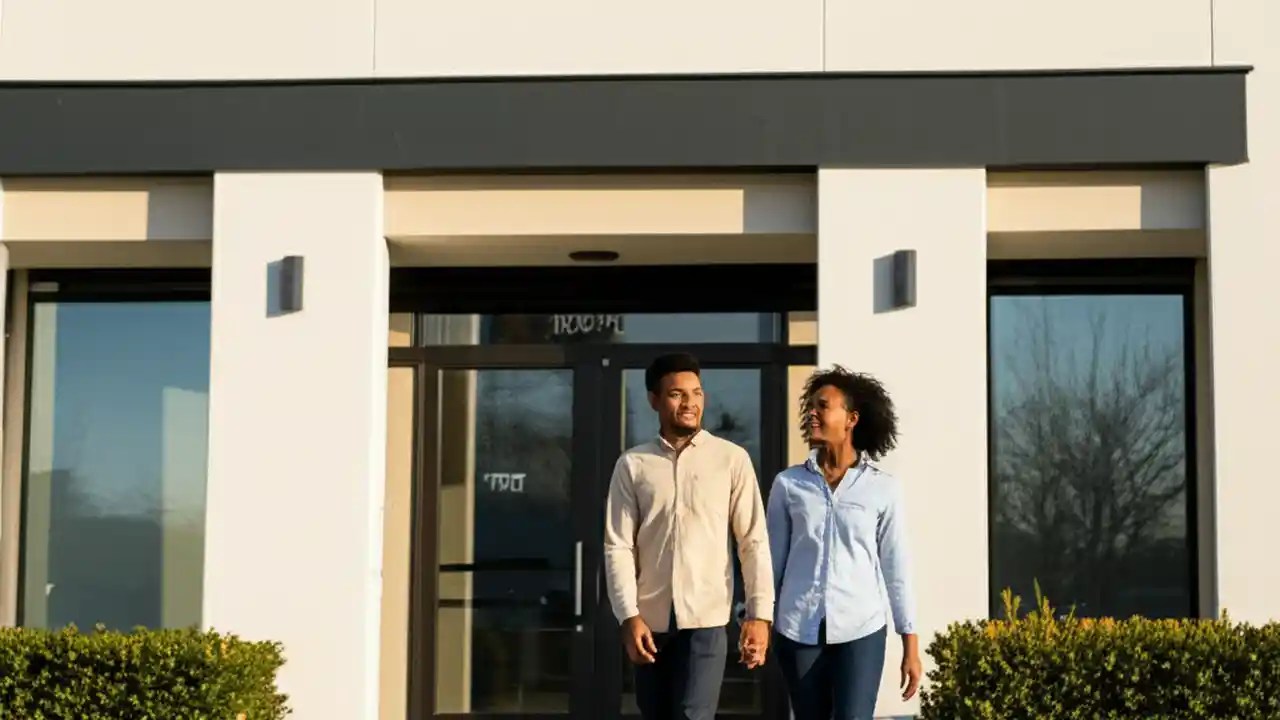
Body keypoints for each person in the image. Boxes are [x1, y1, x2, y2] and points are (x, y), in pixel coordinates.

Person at [603, 352, 774, 720]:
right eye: (677, 394)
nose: (690, 403)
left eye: (696, 393)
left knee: (693, 716)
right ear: (654, 400)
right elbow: (618, 545)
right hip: (649, 624)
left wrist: (760, 615)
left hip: (707, 623)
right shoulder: (633, 465)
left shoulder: (732, 459)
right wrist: (628, 616)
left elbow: (753, 542)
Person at [766, 366, 921, 720]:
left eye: (823, 406)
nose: (813, 413)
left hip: (861, 628)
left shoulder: (883, 488)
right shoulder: (788, 485)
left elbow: (896, 567)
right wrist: (758, 618)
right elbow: (772, 561)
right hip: (797, 627)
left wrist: (909, 643)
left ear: (851, 418)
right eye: (811, 406)